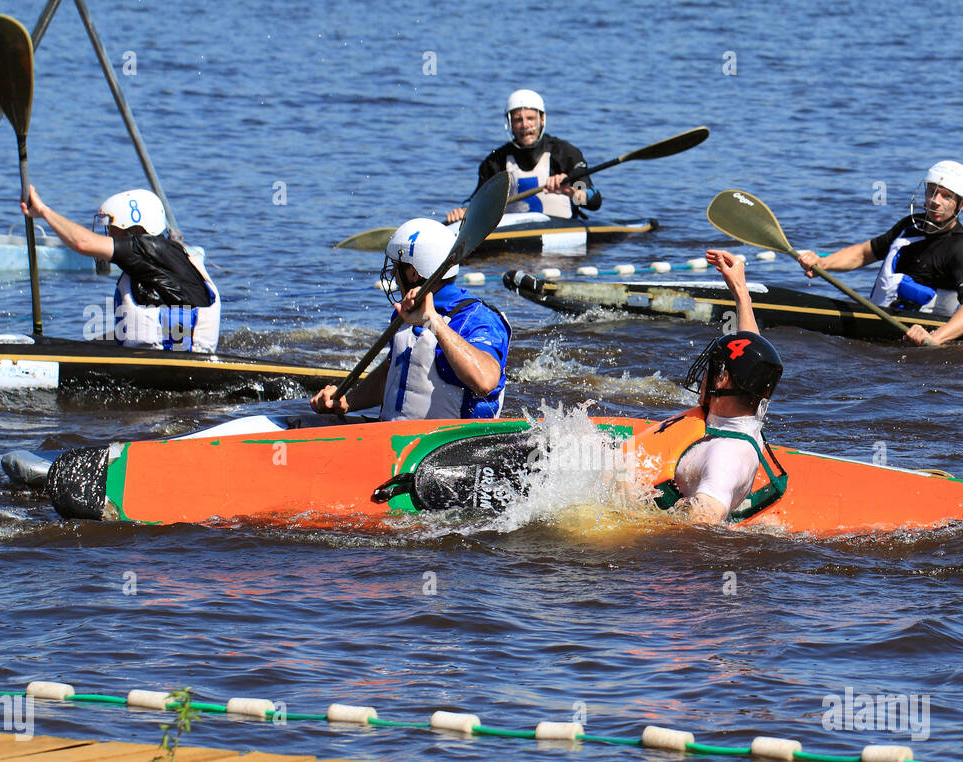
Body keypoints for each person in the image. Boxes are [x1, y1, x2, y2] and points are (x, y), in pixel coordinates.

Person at [626, 249, 786, 524]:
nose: (704, 378)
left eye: (712, 371)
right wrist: (739, 289)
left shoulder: (728, 454)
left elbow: (703, 523)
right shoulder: (747, 410)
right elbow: (753, 353)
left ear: (722, 379)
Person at [309, 218, 511, 420]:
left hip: (452, 445)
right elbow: (394, 373)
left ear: (413, 273)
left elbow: (485, 381)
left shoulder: (478, 319)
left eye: (397, 267)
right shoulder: (405, 312)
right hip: (395, 437)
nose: (394, 275)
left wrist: (434, 322)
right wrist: (347, 402)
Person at [795, 160, 963, 346]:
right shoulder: (910, 225)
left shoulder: (961, 248)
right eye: (931, 191)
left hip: (918, 335)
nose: (935, 200)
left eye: (946, 196)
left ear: (962, 204)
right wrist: (823, 263)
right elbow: (863, 253)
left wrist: (935, 338)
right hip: (881, 320)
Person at [20, 186, 220, 352]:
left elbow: (82, 243)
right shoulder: (163, 256)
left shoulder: (146, 248)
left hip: (177, 364)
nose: (108, 234)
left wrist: (44, 212)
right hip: (168, 357)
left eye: (112, 227)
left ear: (135, 229)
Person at [445, 89, 601, 224]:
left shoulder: (566, 154)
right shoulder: (494, 162)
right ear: (510, 123)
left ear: (542, 119)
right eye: (518, 120)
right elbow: (476, 201)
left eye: (530, 118)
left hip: (562, 234)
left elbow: (594, 201)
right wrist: (464, 211)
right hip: (515, 238)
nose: (525, 125)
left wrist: (571, 192)